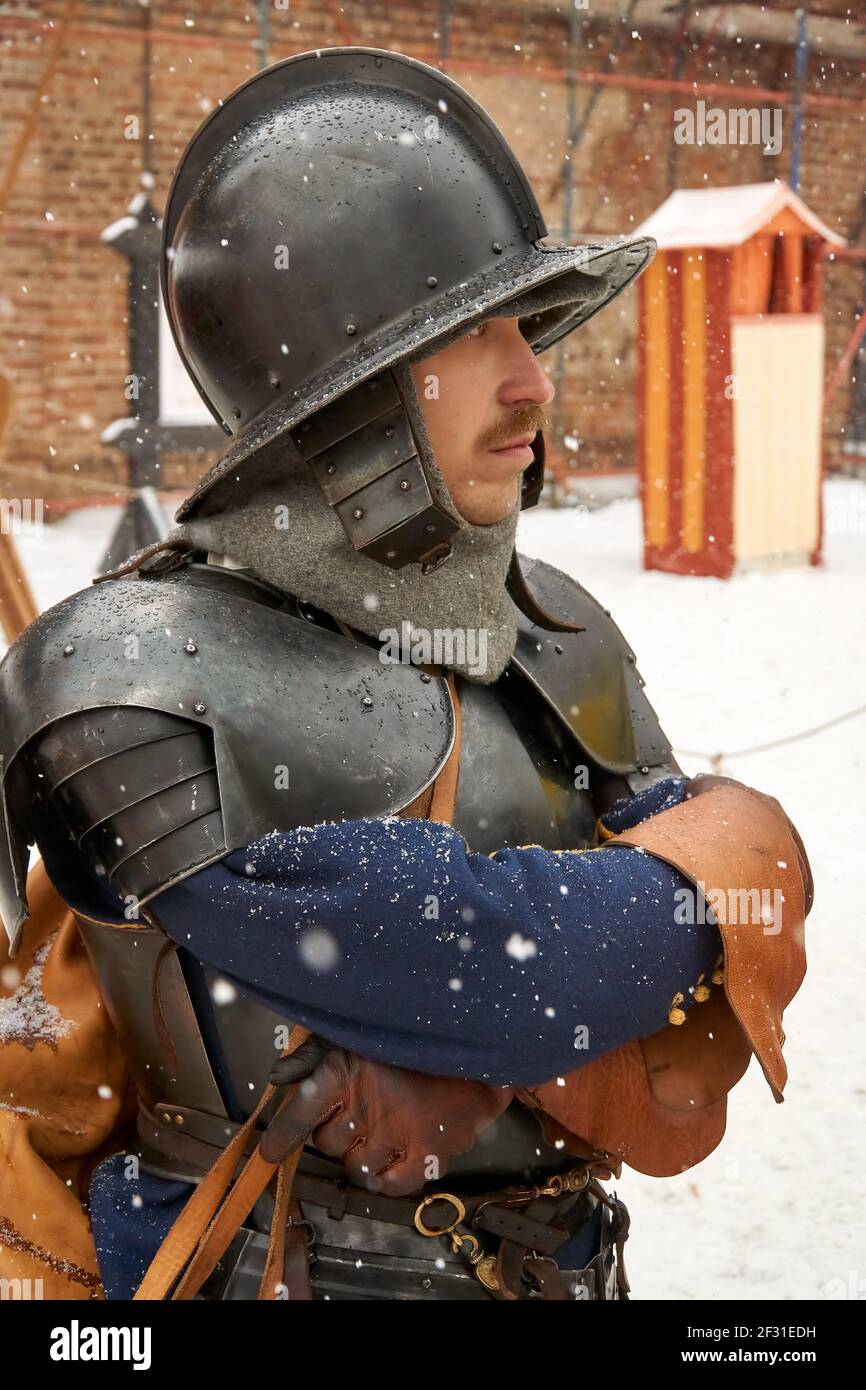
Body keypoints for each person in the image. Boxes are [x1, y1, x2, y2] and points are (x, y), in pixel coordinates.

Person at [0, 46, 812, 1303]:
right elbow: (476, 961)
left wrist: (503, 1041)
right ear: (346, 389)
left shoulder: (555, 633)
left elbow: (709, 948)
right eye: (476, 333)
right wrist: (617, 940)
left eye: (525, 326)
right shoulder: (134, 676)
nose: (534, 379)